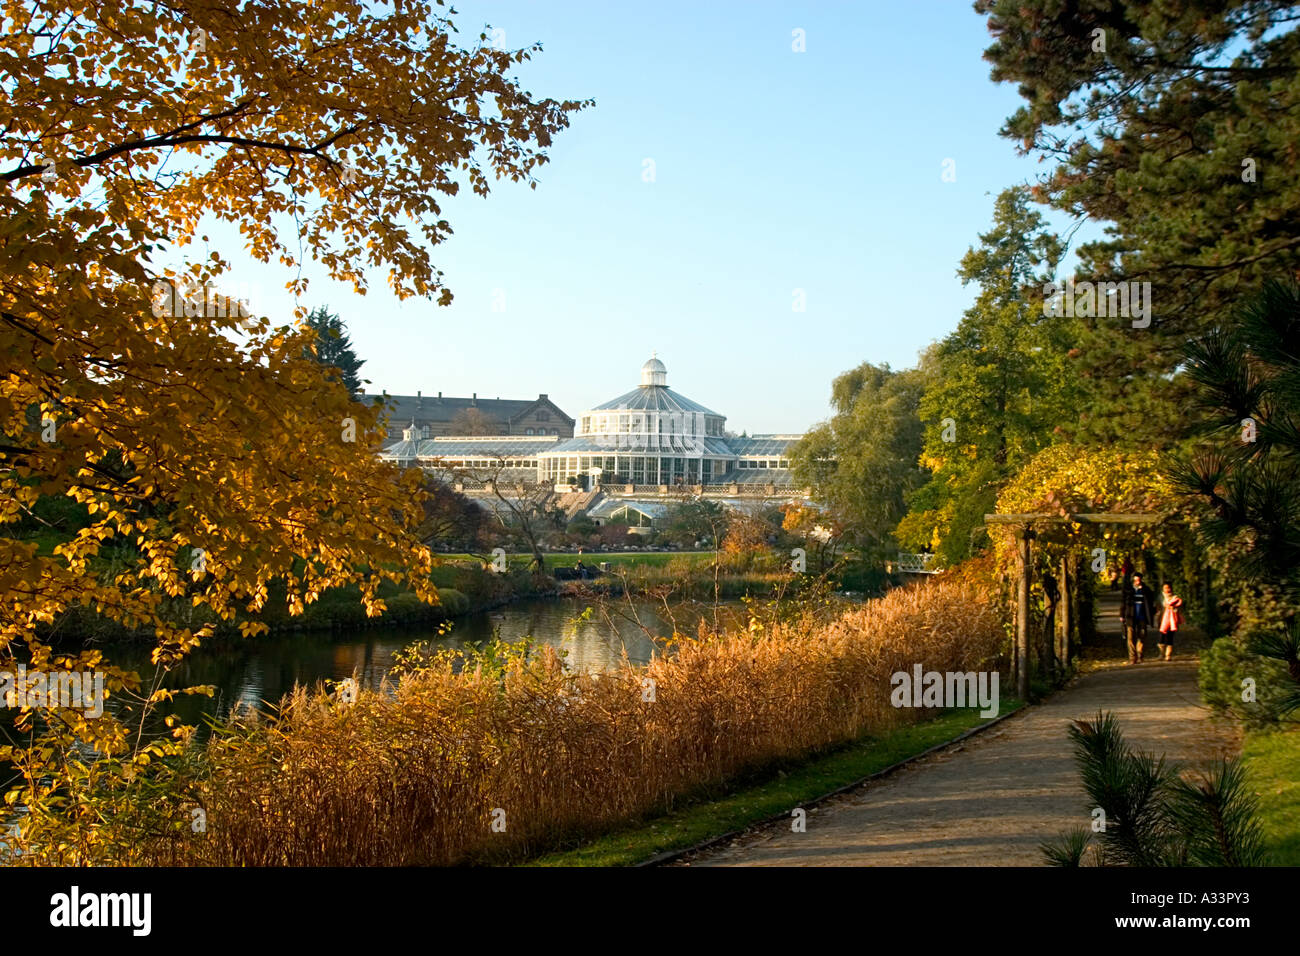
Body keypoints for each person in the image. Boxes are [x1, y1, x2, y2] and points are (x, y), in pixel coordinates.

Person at [1119, 572, 1158, 664]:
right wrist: (1122, 615)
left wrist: (1152, 614)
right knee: (1130, 637)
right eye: (1135, 580)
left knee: (1142, 636)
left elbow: (1151, 604)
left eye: (1139, 580)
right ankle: (1132, 657)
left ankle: (1140, 655)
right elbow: (1123, 603)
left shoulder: (1146, 590)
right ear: (1133, 580)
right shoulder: (1127, 590)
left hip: (1142, 617)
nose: (1137, 582)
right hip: (1130, 616)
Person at [1158, 582, 1182, 661]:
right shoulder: (1160, 597)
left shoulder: (1175, 598)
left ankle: (1168, 654)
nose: (1167, 590)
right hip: (1162, 620)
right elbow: (1157, 608)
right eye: (1165, 588)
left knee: (1170, 637)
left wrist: (1174, 607)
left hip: (1172, 620)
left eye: (1168, 588)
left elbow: (1179, 608)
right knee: (1161, 636)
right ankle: (1161, 653)